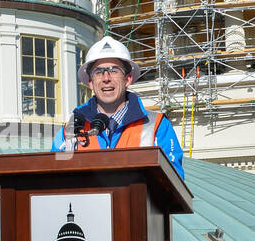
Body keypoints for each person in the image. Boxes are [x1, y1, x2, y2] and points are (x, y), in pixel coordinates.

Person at [50, 35, 185, 178]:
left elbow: (173, 183)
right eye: (99, 72)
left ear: (128, 79)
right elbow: (51, 178)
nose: (106, 78)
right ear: (90, 81)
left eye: (114, 70)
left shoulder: (157, 126)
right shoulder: (70, 130)